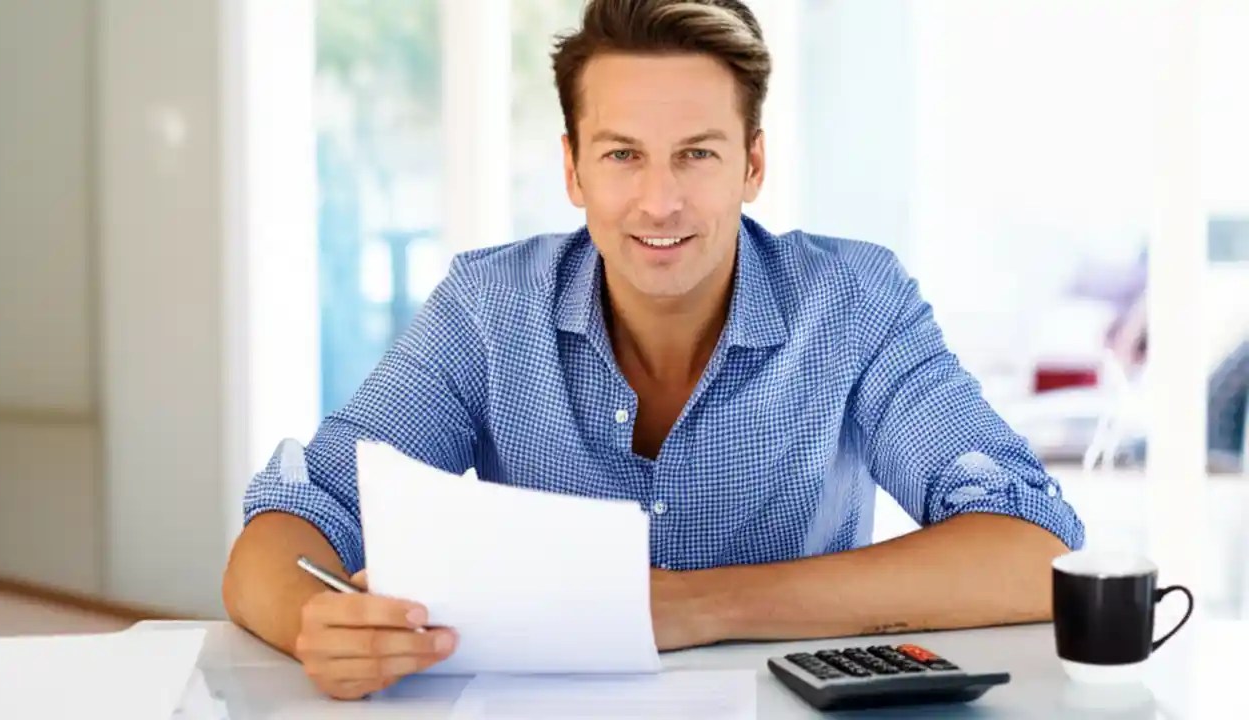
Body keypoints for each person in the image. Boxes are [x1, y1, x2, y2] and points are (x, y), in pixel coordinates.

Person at [222, 0, 1085, 701]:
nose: (660, 201)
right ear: (574, 170)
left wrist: (692, 606)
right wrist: (312, 623)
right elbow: (291, 528)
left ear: (752, 165)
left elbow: (1034, 548)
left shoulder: (856, 303)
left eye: (696, 155)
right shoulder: (487, 310)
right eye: (623, 155)